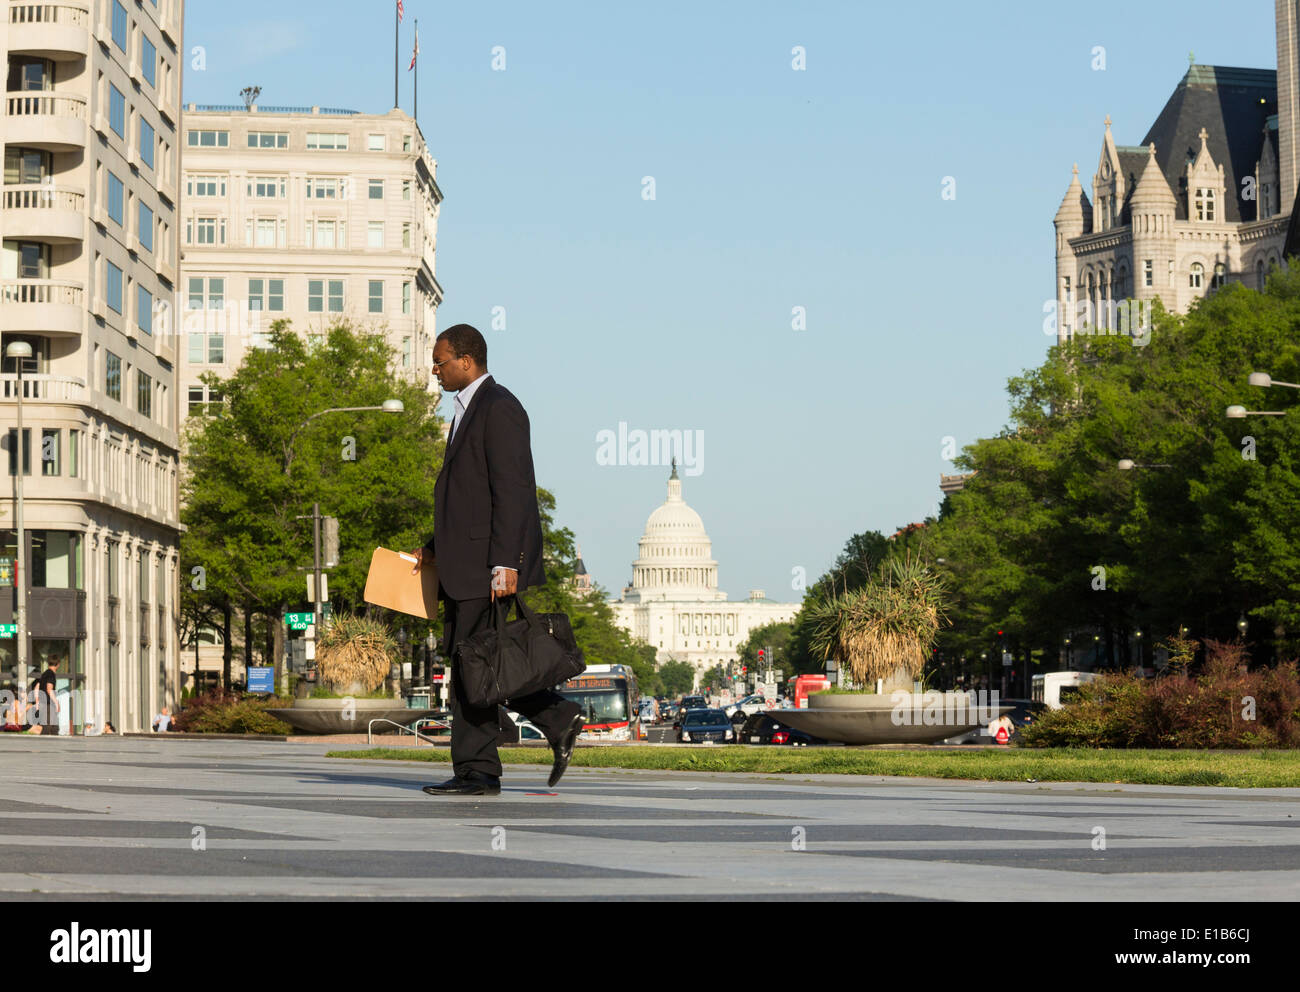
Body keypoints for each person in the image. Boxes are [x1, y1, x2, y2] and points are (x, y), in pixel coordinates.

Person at [411, 323, 583, 797]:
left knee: (474, 666)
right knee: (477, 665)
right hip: (463, 563)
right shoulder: (467, 411)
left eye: (440, 361)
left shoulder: (499, 407)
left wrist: (506, 562)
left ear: (466, 361)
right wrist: (432, 546)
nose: (435, 370)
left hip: (485, 568)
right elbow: (467, 498)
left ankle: (478, 771)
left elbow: (513, 491)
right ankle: (555, 718)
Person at [29, 658, 61, 735]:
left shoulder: (44, 674)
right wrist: (56, 703)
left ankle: (53, 745)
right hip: (48, 705)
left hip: (43, 704)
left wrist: (37, 702)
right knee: (48, 727)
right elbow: (49, 689)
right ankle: (42, 745)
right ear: (58, 664)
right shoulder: (51, 674)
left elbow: (36, 687)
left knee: (54, 727)